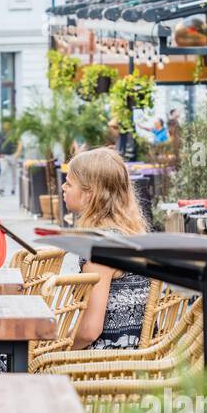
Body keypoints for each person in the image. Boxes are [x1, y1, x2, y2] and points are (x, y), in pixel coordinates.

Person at [61, 147, 152, 349]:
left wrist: (52, 348)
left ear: (89, 194)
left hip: (104, 366)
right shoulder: (130, 236)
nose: (63, 187)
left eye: (69, 183)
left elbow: (89, 331)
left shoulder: (100, 249)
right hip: (136, 359)